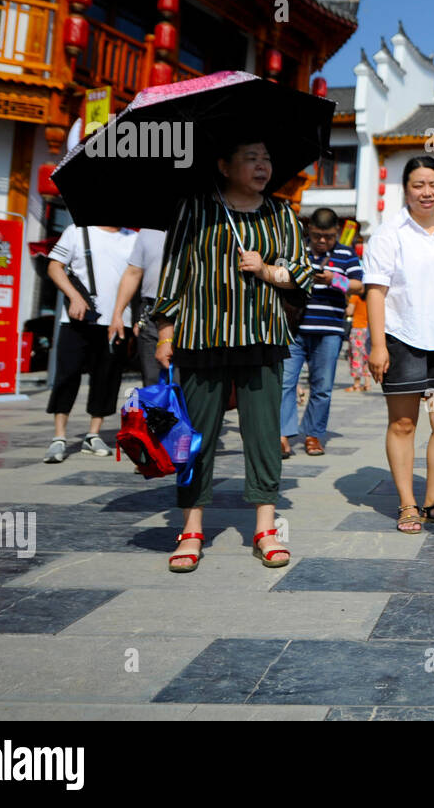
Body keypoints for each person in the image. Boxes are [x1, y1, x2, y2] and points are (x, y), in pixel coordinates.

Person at [152, 137, 313, 573]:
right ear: (224, 165)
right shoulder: (195, 208)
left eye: (266, 158)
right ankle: (191, 528)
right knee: (195, 435)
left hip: (262, 337)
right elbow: (173, 273)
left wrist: (266, 269)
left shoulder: (282, 214)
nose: (262, 166)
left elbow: (302, 274)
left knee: (263, 434)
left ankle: (264, 527)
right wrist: (165, 333)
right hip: (202, 337)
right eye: (251, 158)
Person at [363, 155, 434, 534]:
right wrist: (378, 346)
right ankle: (408, 504)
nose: (427, 193)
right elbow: (375, 292)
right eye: (418, 185)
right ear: (406, 189)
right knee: (404, 422)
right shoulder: (389, 232)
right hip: (403, 340)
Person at [43, 223, 137, 462]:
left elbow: (136, 278)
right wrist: (73, 296)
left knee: (107, 377)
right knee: (67, 374)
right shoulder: (77, 231)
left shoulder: (133, 238)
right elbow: (55, 267)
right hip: (78, 318)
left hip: (117, 321)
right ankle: (59, 436)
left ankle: (93, 434)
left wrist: (132, 317)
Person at [279, 208, 364, 457]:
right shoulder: (297, 250)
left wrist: (333, 280)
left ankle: (313, 435)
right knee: (285, 382)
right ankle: (282, 434)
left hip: (329, 330)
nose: (322, 241)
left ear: (336, 232)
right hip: (295, 328)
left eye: (328, 236)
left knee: (323, 386)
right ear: (309, 231)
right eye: (317, 236)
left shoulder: (347, 253)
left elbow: (359, 286)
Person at [110, 227, 167, 387]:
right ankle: (155, 412)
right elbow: (133, 273)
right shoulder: (148, 231)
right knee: (151, 381)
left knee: (181, 383)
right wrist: (117, 314)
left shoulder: (196, 225)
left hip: (186, 314)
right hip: (150, 313)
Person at [345, 288, 372, 392]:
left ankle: (356, 384)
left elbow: (349, 311)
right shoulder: (370, 296)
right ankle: (367, 383)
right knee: (366, 356)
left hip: (358, 329)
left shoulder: (355, 296)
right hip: (369, 329)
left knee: (356, 356)